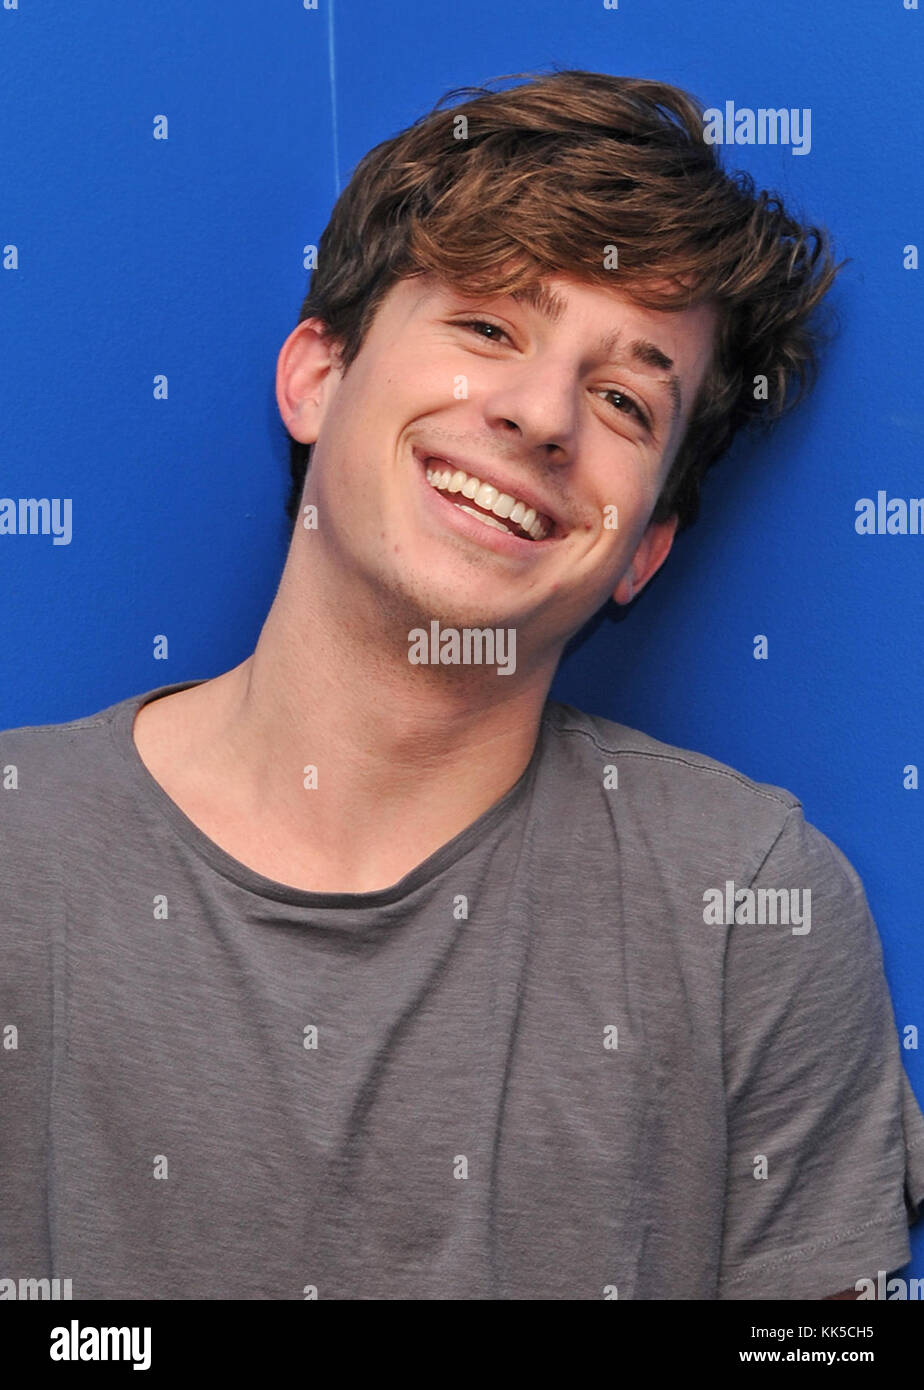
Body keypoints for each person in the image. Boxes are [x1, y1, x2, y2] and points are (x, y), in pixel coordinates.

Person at [2, 70, 922, 1302]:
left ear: (644, 547)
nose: (543, 415)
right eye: (488, 327)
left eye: (623, 399)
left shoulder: (748, 908)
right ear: (316, 375)